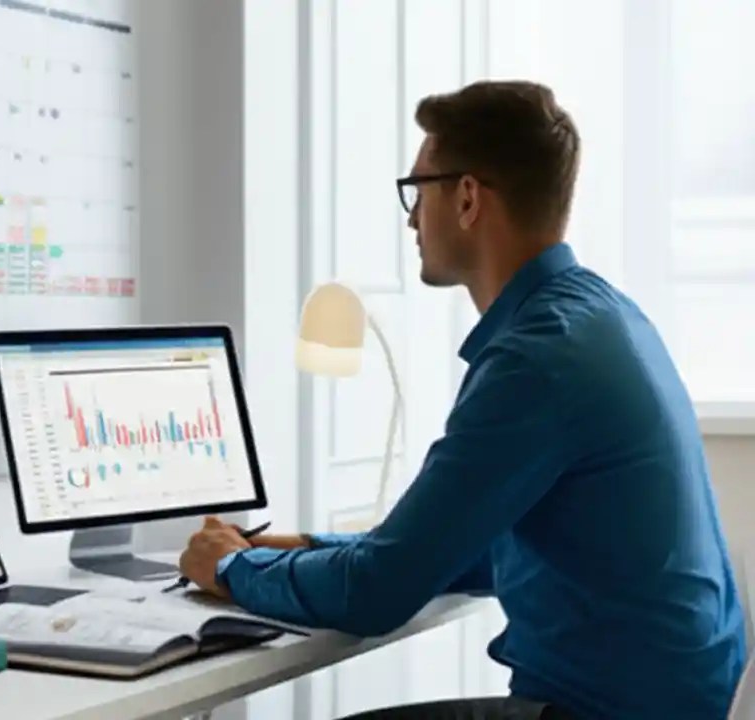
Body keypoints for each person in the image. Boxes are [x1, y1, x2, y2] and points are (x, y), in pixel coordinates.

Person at [177, 80, 747, 719]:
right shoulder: (603, 316)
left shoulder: (536, 359)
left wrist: (231, 570)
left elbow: (376, 595)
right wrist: (299, 545)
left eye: (417, 190)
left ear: (468, 197)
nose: (413, 217)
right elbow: (479, 550)